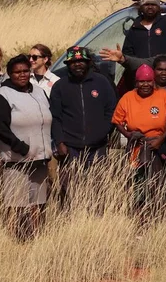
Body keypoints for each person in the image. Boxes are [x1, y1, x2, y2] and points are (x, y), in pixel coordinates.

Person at [0, 54, 53, 239]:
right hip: (16, 160)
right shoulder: (3, 95)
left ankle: (38, 239)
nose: (22, 75)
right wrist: (19, 146)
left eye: (26, 71)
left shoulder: (39, 92)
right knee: (17, 204)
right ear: (10, 74)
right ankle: (18, 242)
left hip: (40, 158)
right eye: (17, 72)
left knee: (39, 203)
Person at [49, 46, 118, 207]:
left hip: (98, 146)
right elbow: (55, 117)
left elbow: (111, 110)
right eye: (73, 62)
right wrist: (60, 142)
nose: (77, 64)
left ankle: (96, 222)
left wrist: (104, 132)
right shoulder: (60, 86)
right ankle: (71, 222)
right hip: (70, 147)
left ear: (88, 62)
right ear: (68, 64)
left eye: (81, 61)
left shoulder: (102, 82)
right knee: (71, 189)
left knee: (98, 189)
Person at [112, 64, 166, 220]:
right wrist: (128, 134)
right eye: (141, 82)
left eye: (149, 81)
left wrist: (160, 140)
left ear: (154, 81)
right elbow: (116, 120)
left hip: (160, 146)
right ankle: (140, 218)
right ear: (136, 82)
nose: (145, 85)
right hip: (137, 147)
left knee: (159, 183)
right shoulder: (128, 97)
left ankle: (160, 216)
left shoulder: (163, 95)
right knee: (139, 184)